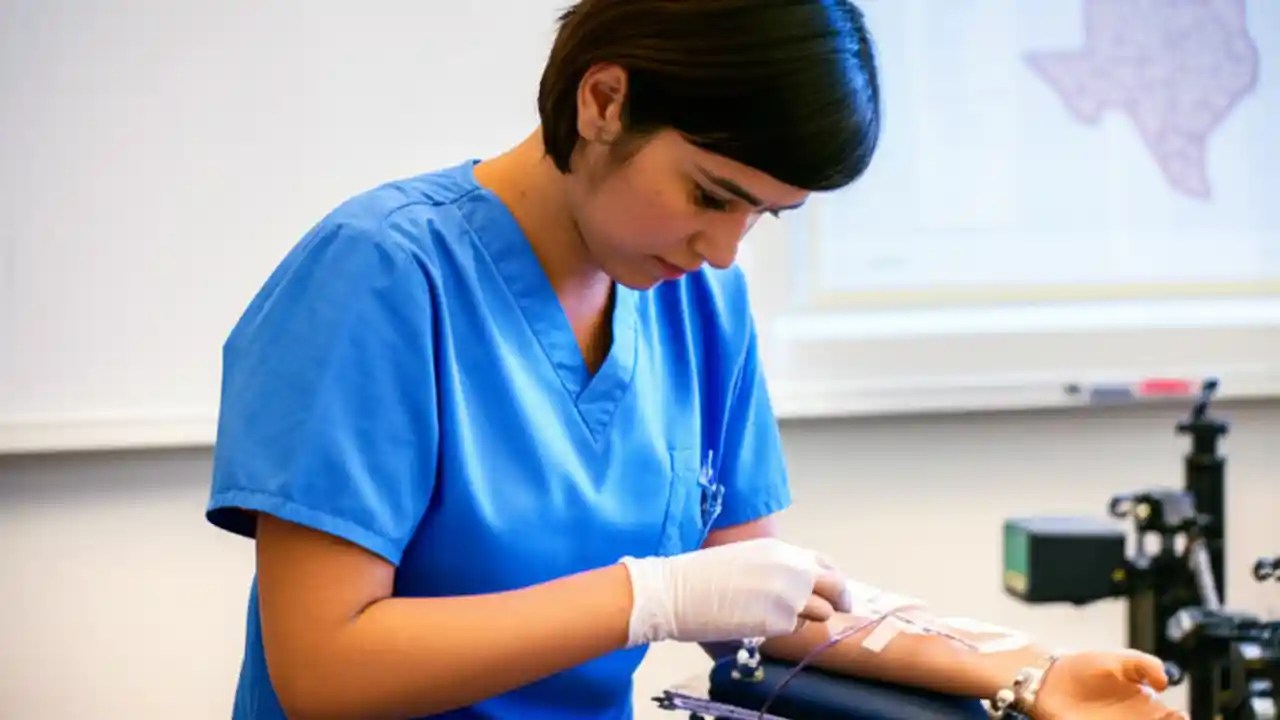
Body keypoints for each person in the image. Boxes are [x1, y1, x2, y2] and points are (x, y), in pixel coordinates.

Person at [204, 1, 1186, 719]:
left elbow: (764, 600)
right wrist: (647, 596)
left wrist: (1027, 672)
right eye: (711, 194)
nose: (723, 249)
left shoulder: (694, 296)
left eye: (762, 215)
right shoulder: (380, 276)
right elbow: (325, 670)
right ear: (602, 100)